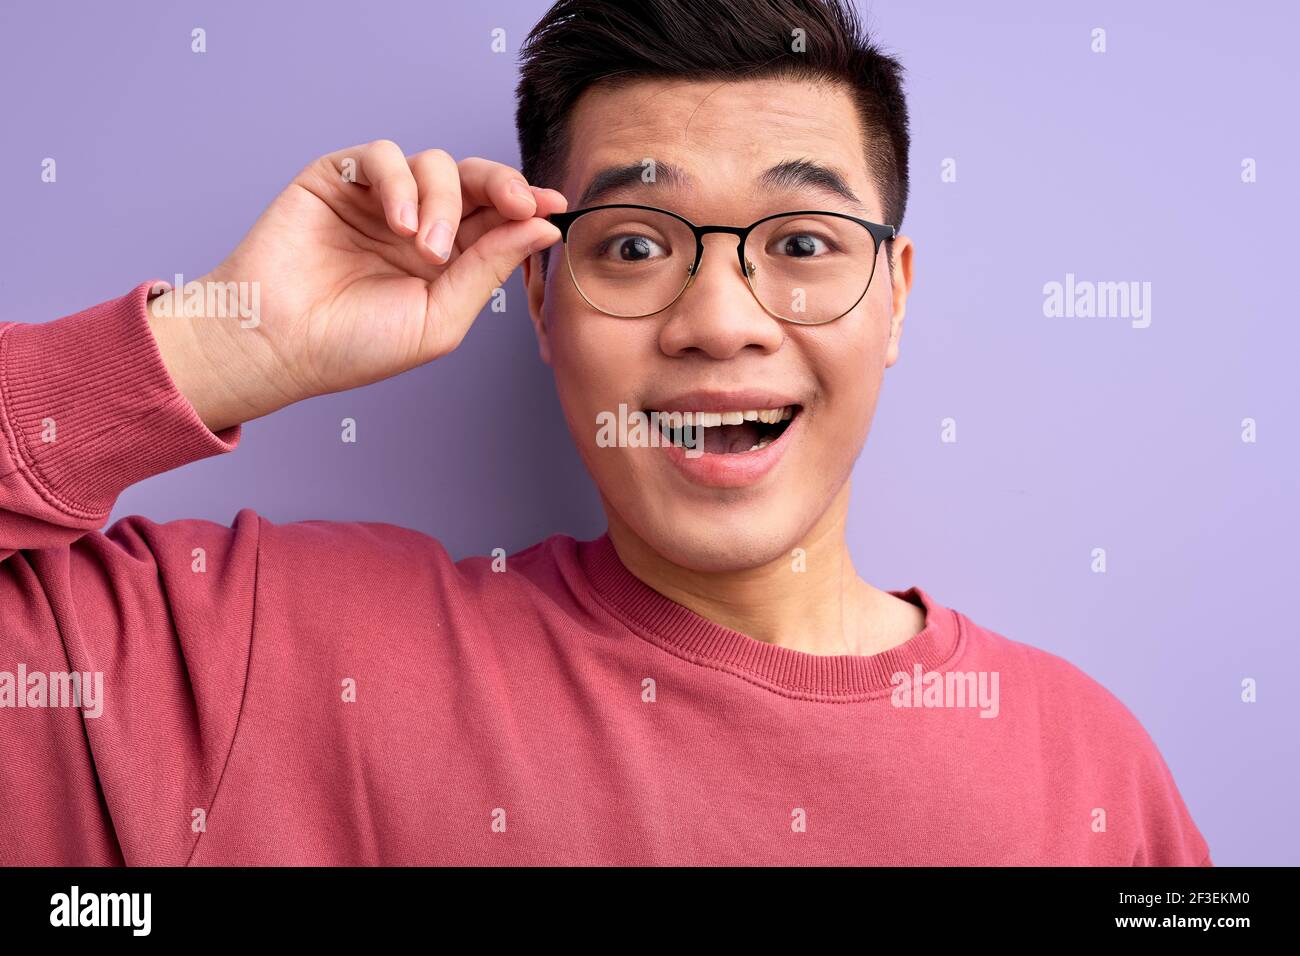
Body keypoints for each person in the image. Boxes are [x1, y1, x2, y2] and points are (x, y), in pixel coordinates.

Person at [0, 0, 1209, 865]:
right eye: (633, 245)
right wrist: (219, 344)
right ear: (537, 298)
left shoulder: (1089, 775)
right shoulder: (245, 655)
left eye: (800, 243)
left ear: (893, 298)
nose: (719, 322)